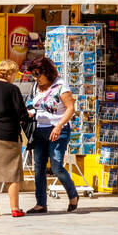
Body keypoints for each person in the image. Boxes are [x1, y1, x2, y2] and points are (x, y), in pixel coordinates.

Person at [26, 55, 79, 213]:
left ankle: (73, 194)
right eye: (33, 75)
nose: (36, 78)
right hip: (39, 130)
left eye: (37, 74)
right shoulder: (36, 87)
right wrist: (29, 111)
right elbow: (32, 103)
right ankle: (41, 203)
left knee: (56, 167)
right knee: (39, 167)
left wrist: (59, 126)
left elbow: (70, 108)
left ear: (47, 72)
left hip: (58, 129)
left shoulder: (61, 86)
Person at [0, 59, 30, 217]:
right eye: (14, 73)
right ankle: (15, 209)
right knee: (12, 173)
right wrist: (28, 115)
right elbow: (21, 113)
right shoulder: (13, 89)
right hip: (8, 134)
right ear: (10, 74)